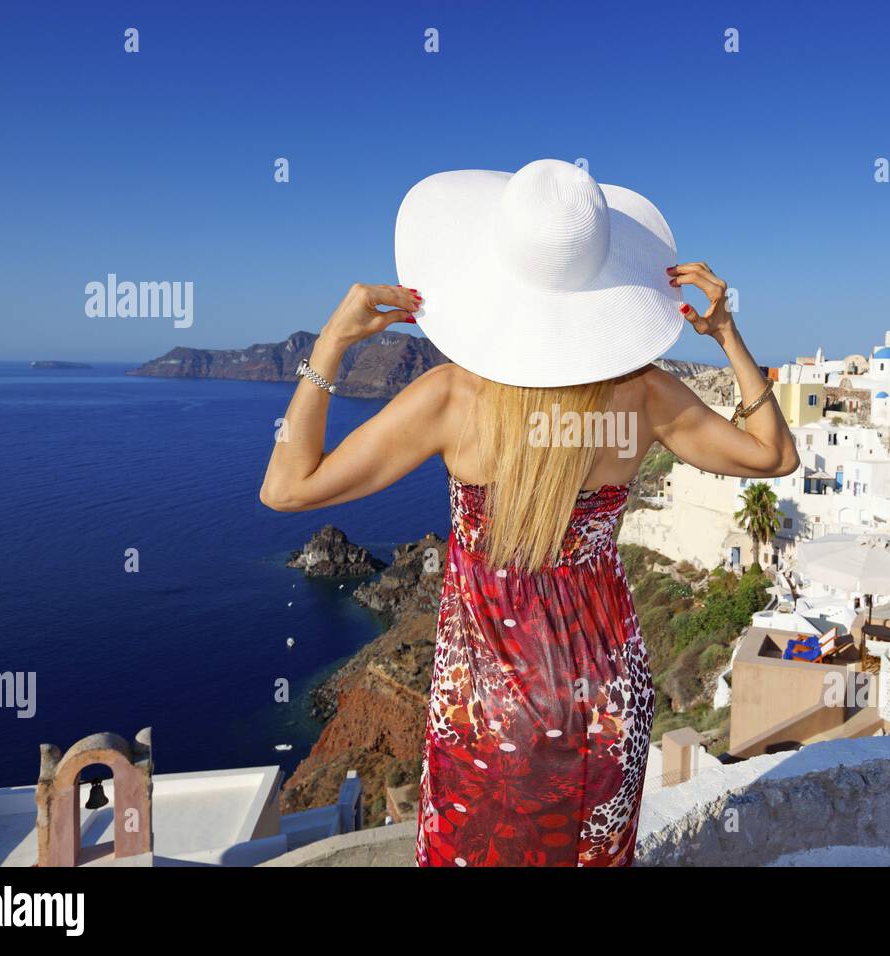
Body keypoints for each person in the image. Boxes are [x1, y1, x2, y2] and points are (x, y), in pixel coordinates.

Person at [260, 159, 798, 866]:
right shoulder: (646, 396)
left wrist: (329, 344)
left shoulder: (452, 398)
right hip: (607, 699)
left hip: (490, 709)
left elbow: (288, 486)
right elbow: (774, 457)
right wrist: (727, 333)